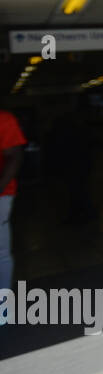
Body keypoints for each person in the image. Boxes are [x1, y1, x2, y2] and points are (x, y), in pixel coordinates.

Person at [0, 107, 25, 316]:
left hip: (1, 195)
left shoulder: (4, 120)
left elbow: (14, 157)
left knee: (1, 252)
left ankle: (2, 307)